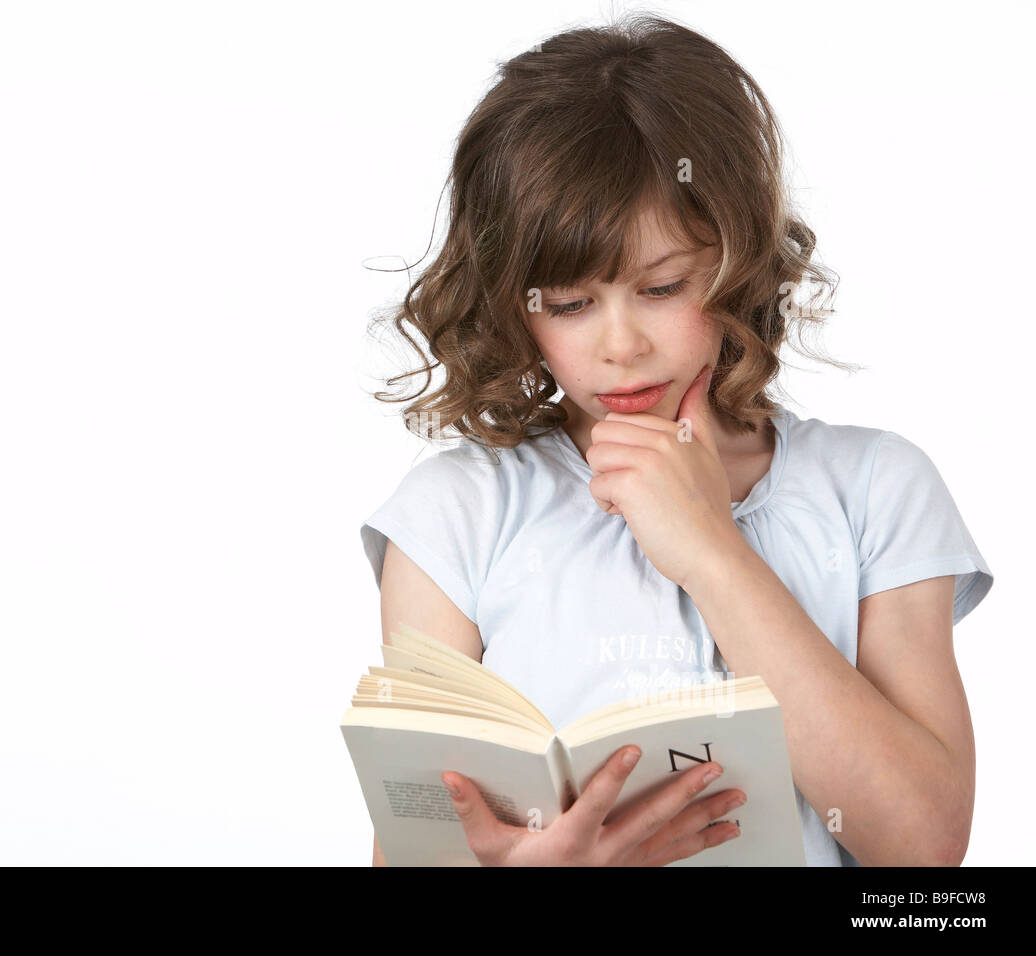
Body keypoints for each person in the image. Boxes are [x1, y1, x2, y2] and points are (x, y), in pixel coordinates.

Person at [359, 14, 992, 867]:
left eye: (661, 287)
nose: (621, 345)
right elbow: (412, 846)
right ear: (514, 302)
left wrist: (713, 551)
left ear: (741, 260)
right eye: (570, 304)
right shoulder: (457, 516)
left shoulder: (877, 486)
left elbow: (922, 847)